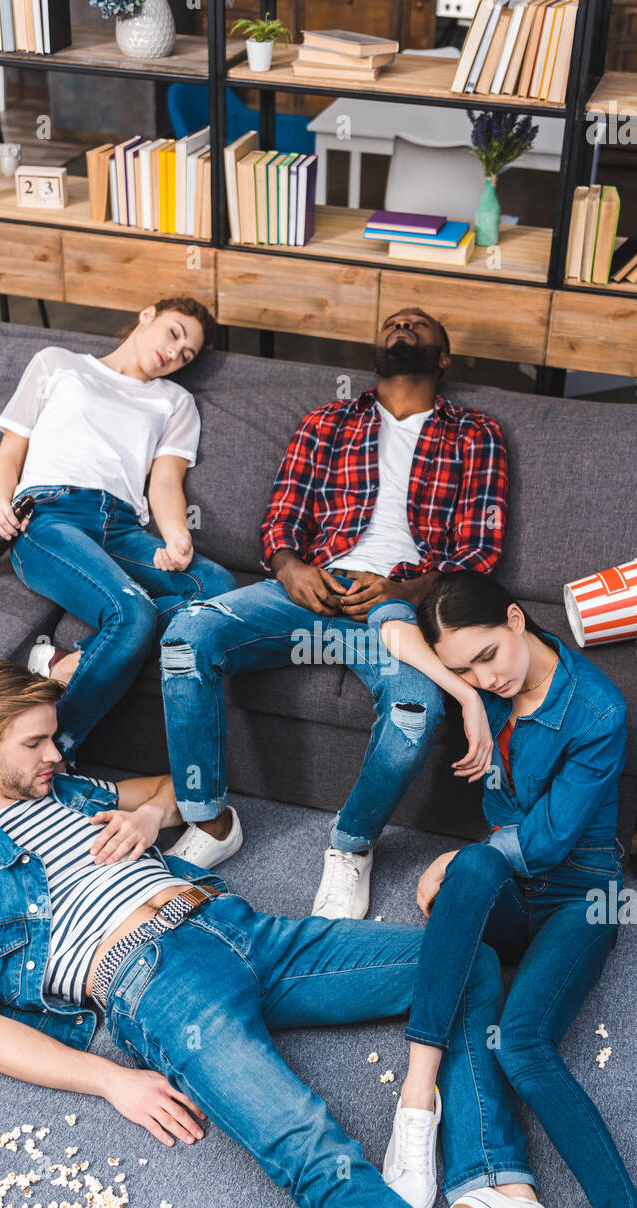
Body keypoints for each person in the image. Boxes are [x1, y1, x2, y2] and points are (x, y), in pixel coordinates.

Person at [0, 656, 562, 1208]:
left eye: (54, 736)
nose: (56, 752)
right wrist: (110, 1081)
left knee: (464, 962)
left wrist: (146, 818)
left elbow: (173, 789)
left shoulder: (67, 789)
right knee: (317, 1156)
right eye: (36, 742)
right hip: (159, 984)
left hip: (241, 928)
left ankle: (487, 1181)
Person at [370, 572, 637, 1208]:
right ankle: (417, 1100)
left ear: (519, 619)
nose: (484, 676)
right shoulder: (481, 692)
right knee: (469, 881)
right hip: (506, 883)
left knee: (517, 1043)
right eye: (463, 668)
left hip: (577, 892)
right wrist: (461, 694)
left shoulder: (596, 709)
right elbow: (389, 616)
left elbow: (553, 839)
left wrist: (458, 858)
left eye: (488, 656)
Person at [159, 307, 508, 919]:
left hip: (401, 602)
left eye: (417, 324)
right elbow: (282, 516)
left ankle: (352, 849)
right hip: (312, 585)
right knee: (187, 634)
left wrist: (416, 588)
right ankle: (211, 822)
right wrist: (290, 568)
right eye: (391, 322)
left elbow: (481, 548)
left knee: (411, 713)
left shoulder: (475, 433)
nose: (401, 327)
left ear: (443, 358)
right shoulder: (327, 421)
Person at [0, 296, 235, 766]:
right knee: (132, 612)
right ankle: (56, 752)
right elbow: (10, 451)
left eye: (187, 356)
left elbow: (164, 481)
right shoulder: (57, 364)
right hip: (49, 516)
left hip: (120, 526)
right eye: (174, 333)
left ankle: (68, 662)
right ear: (147, 314)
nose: (175, 354)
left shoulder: (176, 402)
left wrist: (177, 535)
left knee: (217, 587)